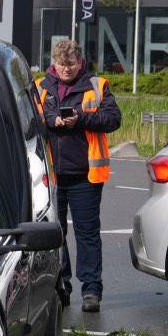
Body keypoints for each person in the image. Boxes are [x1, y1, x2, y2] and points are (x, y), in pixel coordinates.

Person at [38, 38, 121, 313]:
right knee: (55, 234)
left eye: (71, 64)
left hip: (85, 176)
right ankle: (61, 286)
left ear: (80, 62)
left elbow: (113, 119)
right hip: (51, 176)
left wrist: (80, 119)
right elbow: (30, 122)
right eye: (61, 64)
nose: (66, 69)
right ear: (54, 63)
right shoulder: (41, 87)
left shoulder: (96, 86)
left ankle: (91, 291)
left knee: (87, 235)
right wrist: (52, 120)